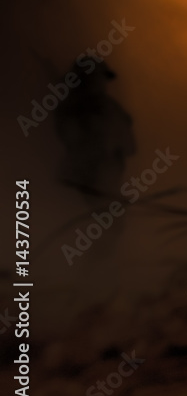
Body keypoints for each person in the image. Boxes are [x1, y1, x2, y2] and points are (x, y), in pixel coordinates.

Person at [54, 57, 136, 257]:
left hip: (108, 180)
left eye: (101, 78)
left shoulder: (111, 108)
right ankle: (87, 275)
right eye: (96, 77)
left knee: (112, 228)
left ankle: (95, 274)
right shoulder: (75, 108)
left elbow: (130, 146)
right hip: (85, 181)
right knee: (102, 227)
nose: (101, 83)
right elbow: (71, 140)